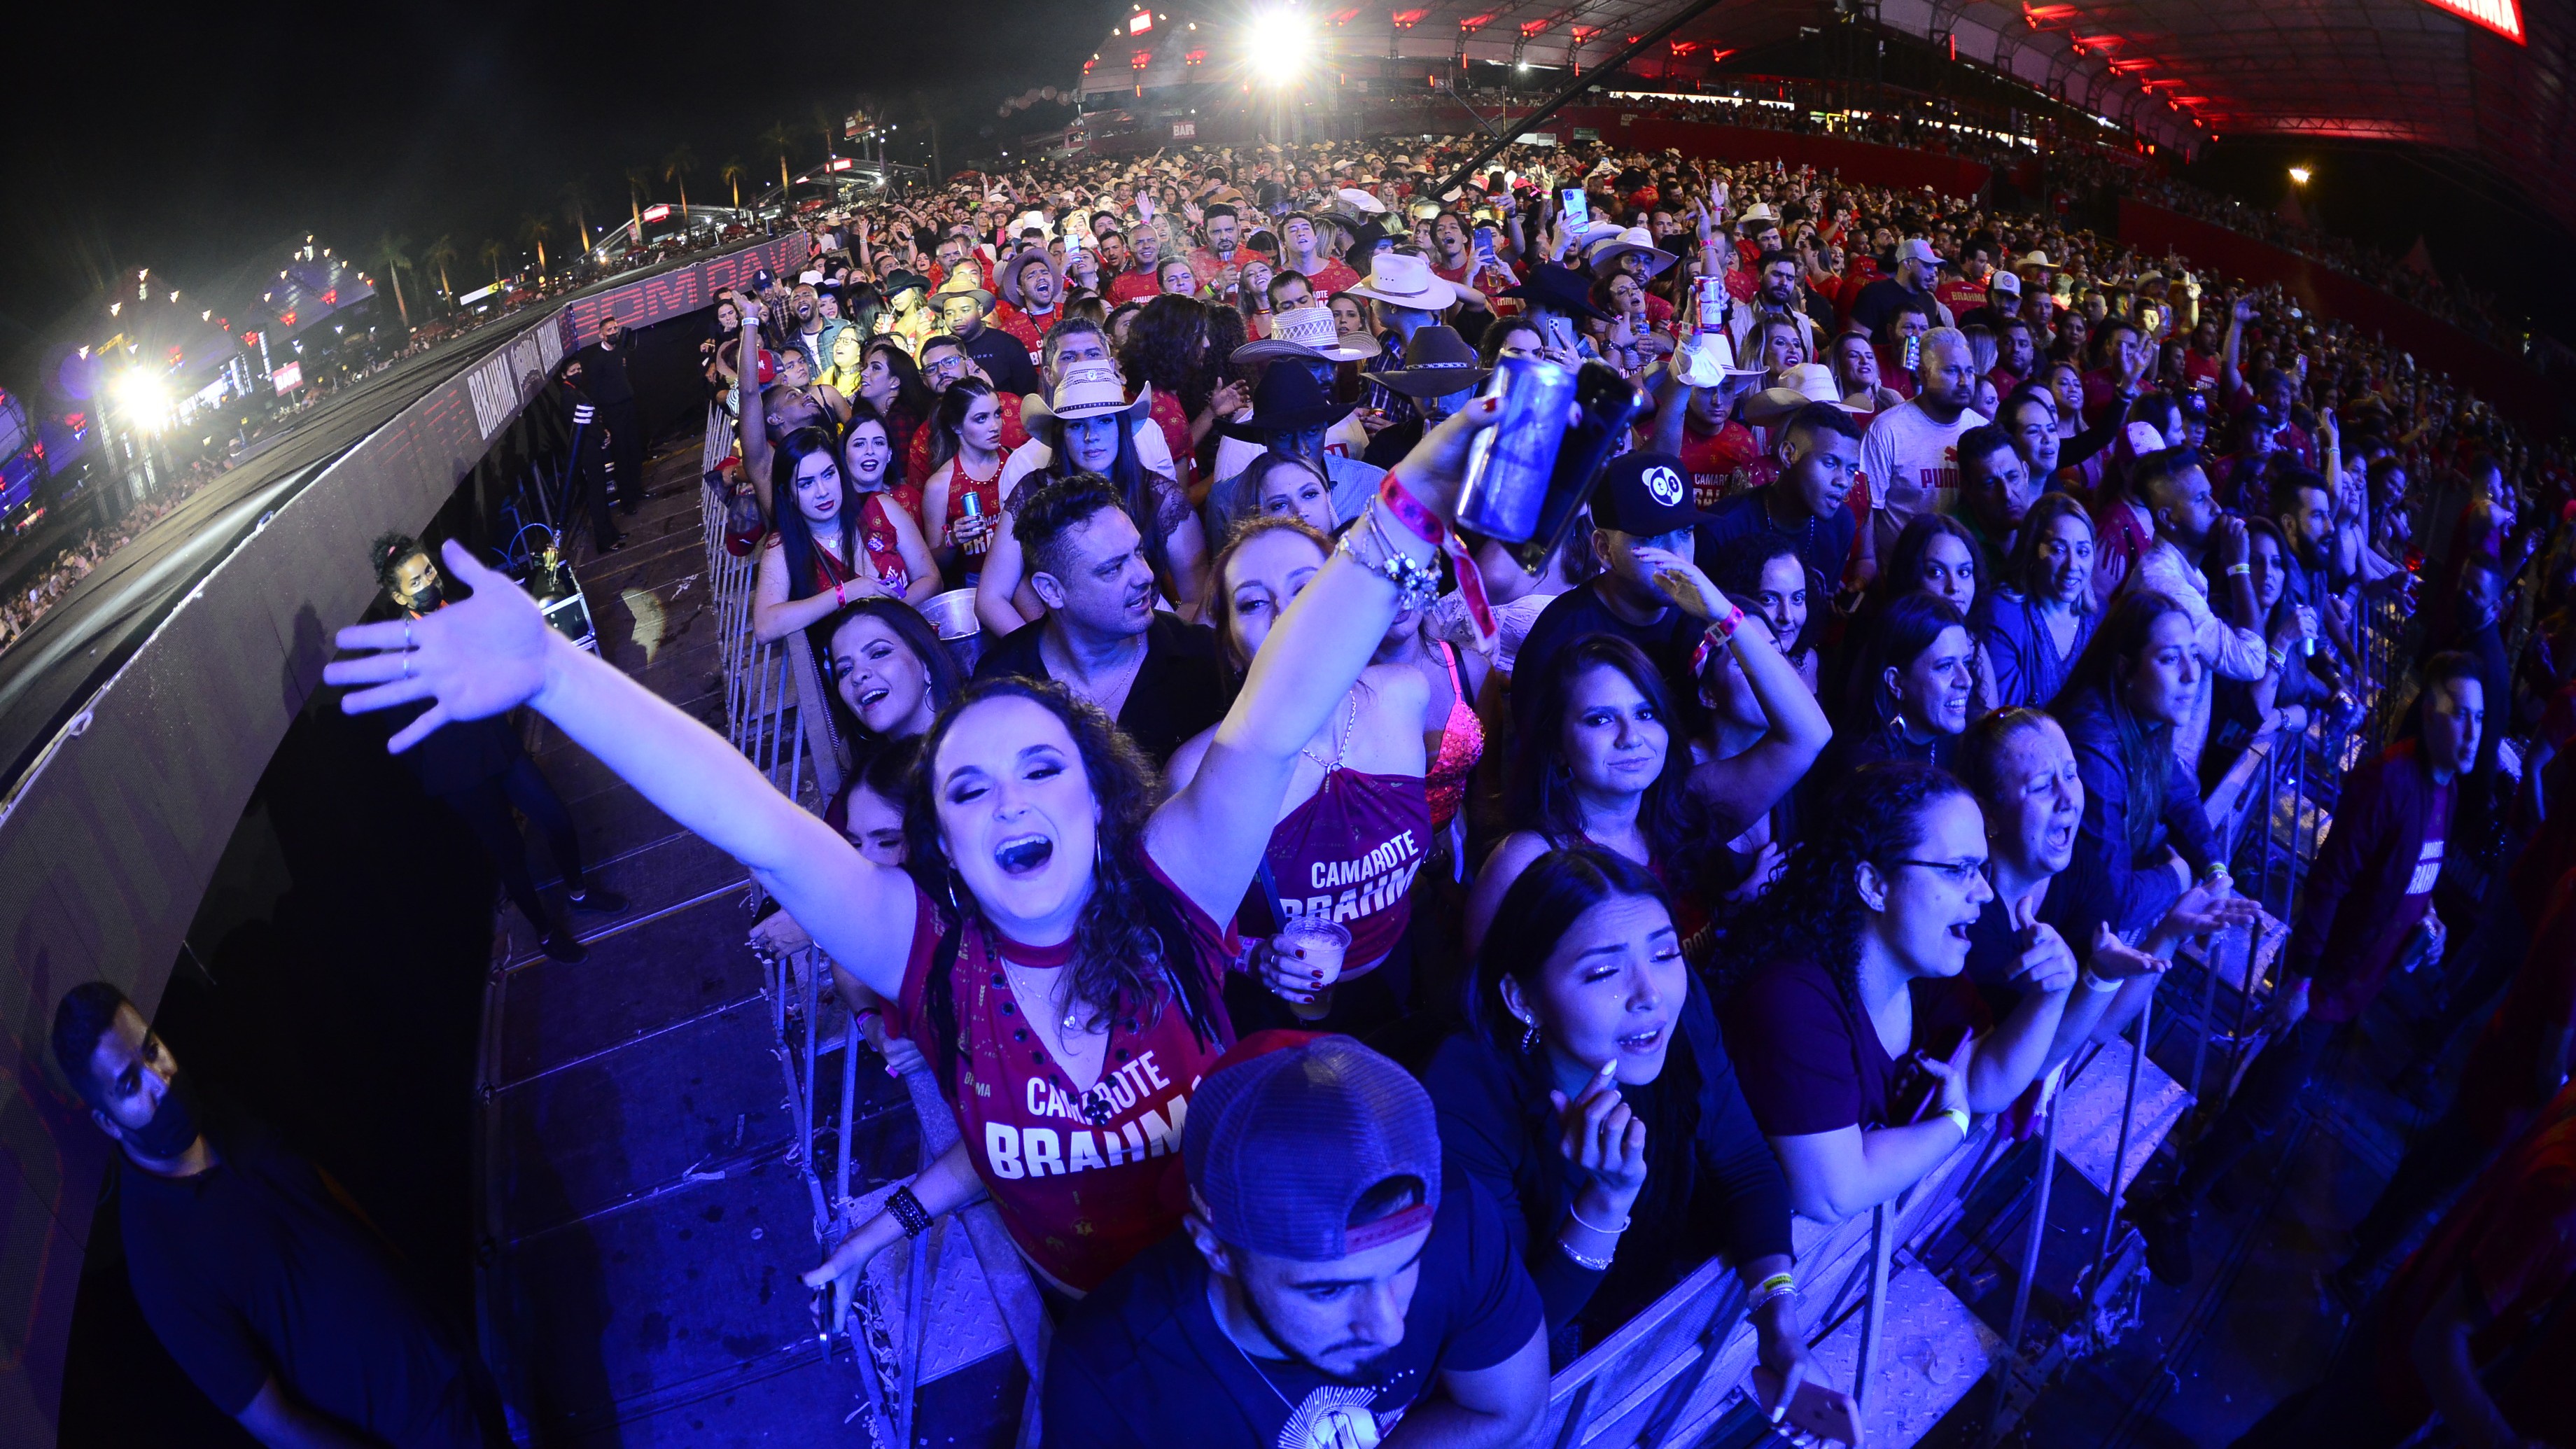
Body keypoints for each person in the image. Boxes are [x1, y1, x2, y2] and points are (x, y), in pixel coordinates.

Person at [324, 393, 1518, 1306]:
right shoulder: (926, 954)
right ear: (939, 840)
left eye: (1044, 768)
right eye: (969, 786)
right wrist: (556, 675)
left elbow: (1275, 714)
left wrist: (1406, 500)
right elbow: (752, 818)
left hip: (1231, 1311)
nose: (1010, 803)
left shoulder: (1178, 891)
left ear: (1102, 803)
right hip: (1074, 1319)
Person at [1426, 848, 1851, 1422]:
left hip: (1655, 1305)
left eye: (1666, 952)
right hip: (1530, 1369)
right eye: (1604, 972)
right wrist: (1604, 1203)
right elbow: (1506, 1332)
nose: (1649, 994)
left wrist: (1778, 1317)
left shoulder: (1674, 1013)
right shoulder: (1466, 1093)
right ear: (1522, 999)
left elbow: (1745, 1166)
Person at [2126, 652, 2484, 1284]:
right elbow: (2329, 883)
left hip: (2355, 982)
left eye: (2482, 719)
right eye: (2462, 716)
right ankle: (2173, 1207)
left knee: (2267, 1089)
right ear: (2431, 713)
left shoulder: (2446, 790)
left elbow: (2411, 873)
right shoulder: (2388, 782)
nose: (2474, 733)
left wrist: (2428, 918)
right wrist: (2302, 981)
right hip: (2323, 981)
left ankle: (2209, 1159)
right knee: (2269, 1106)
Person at [50, 982, 508, 1447]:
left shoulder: (222, 1110)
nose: (159, 1080)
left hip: (451, 1357)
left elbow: (329, 1200)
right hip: (411, 1433)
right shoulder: (160, 1261)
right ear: (108, 1121)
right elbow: (279, 1427)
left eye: (152, 1049)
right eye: (129, 1084)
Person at [1042, 1032, 1548, 1448]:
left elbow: (1511, 1414)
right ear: (1215, 1247)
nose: (1389, 1327)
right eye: (1328, 1290)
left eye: (1404, 1266)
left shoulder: (1455, 1220)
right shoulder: (1109, 1381)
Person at [1721, 764, 2077, 1220]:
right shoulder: (1791, 999)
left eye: (1981, 868)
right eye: (1958, 870)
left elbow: (1985, 1084)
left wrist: (2052, 996)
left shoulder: (1926, 970)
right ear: (1873, 885)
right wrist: (1953, 1125)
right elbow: (1833, 1195)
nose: (1985, 893)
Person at [1469, 584, 1827, 961]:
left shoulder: (1683, 804)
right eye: (1600, 719)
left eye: (1645, 713)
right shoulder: (1527, 860)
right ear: (1557, 744)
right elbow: (1486, 1002)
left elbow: (1809, 735)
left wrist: (1726, 612)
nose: (1631, 737)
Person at [1170, 517, 1429, 1033]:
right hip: (1284, 1026)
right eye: (1252, 603)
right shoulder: (1198, 771)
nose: (1288, 616)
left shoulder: (1406, 694)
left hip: (1409, 990)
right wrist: (1254, 957)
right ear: (1229, 647)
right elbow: (1178, 936)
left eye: (1307, 588)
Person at [2229, 1078, 2576, 1449]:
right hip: (2400, 1369)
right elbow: (2438, 1339)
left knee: (2311, 1420)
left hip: (2404, 1316)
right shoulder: (2563, 1197)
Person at [369, 533, 618, 964]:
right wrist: (440, 780)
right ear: (397, 596)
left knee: (555, 818)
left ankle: (578, 893)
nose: (429, 581)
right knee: (510, 855)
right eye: (416, 581)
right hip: (460, 773)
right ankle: (543, 933)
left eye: (428, 570)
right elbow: (403, 734)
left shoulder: (459, 610)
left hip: (498, 745)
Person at [972, 473, 1228, 766]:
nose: (1145, 575)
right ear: (1052, 591)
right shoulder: (1000, 685)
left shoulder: (1204, 661)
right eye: (1113, 569)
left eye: (1138, 552)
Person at [975, 365, 1202, 635]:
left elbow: (1198, 598)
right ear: (1061, 434)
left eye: (1104, 420)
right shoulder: (1032, 491)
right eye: (1077, 424)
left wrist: (1162, 655)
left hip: (1149, 638)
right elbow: (990, 598)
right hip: (1061, 645)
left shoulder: (1159, 495)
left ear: (1121, 427)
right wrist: (1040, 657)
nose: (1091, 436)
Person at [1509, 453, 1718, 737]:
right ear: (1604, 549)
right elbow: (1538, 764)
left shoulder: (1707, 617)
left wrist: (1728, 620)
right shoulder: (1558, 639)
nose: (1678, 557)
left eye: (1685, 532)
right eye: (1652, 538)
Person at [2126, 447, 2267, 775]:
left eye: (2212, 495)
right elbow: (2252, 661)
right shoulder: (2165, 586)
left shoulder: (2187, 576)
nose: (2217, 508)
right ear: (2167, 518)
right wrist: (2239, 568)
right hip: (2159, 772)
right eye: (2201, 499)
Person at [1693, 402, 1863, 611]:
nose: (1844, 481)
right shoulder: (1721, 529)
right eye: (1829, 463)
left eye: (1851, 470)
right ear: (1788, 455)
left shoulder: (1842, 524)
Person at [1855, 327, 1989, 568]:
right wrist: (1868, 562)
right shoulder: (1888, 430)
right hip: (1903, 574)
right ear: (1924, 375)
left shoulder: (1983, 430)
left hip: (1965, 572)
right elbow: (1867, 506)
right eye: (1951, 371)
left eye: (1969, 372)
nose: (1964, 381)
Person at [1984, 493, 2099, 710]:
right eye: (2058, 549)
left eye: (2083, 551)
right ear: (2032, 552)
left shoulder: (2099, 615)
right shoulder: (2004, 615)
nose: (2073, 565)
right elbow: (2007, 719)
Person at [919, 377, 1010, 580]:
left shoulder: (1014, 462)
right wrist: (952, 540)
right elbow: (933, 567)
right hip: (973, 584)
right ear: (956, 426)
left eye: (997, 414)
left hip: (1024, 574)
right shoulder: (940, 485)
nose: (994, 426)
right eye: (981, 418)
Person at [570, 310, 645, 518]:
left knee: (634, 451)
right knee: (621, 455)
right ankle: (627, 501)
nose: (614, 332)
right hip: (613, 411)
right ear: (601, 335)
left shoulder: (620, 351)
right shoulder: (596, 361)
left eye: (616, 329)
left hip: (628, 405)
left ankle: (637, 490)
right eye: (610, 330)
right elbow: (595, 390)